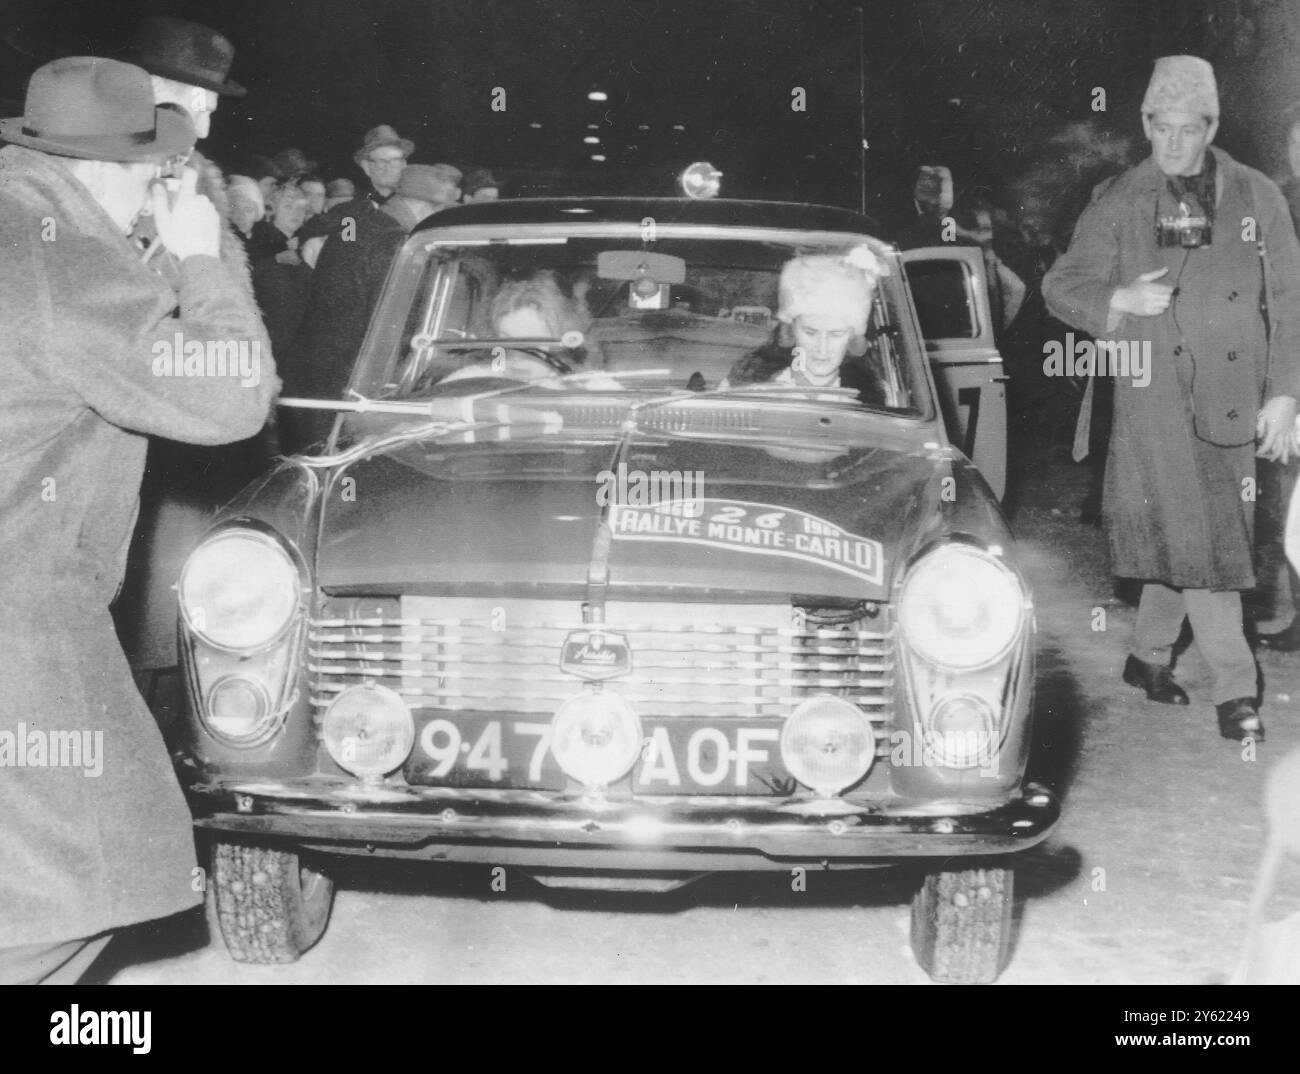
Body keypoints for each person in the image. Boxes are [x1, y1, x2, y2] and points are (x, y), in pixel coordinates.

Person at [0, 56, 276, 983]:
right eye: (157, 170)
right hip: (19, 618)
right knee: (74, 881)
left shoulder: (25, 219)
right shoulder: (59, 256)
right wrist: (202, 258)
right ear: (114, 167)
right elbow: (231, 394)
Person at [1042, 55, 1300, 742]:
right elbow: (1061, 285)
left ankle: (1146, 656)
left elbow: (1291, 300)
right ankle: (1236, 691)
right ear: (1145, 125)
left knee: (1199, 534)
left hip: (1235, 399)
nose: (1175, 145)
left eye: (1189, 130)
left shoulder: (1258, 197)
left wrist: (1285, 397)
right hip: (1152, 401)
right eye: (1161, 129)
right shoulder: (1121, 198)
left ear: (1212, 126)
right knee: (1206, 542)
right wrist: (1116, 299)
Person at [283, 164, 446, 451]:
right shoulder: (395, 242)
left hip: (315, 372)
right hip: (348, 381)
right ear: (422, 207)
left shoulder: (359, 226)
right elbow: (390, 321)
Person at [722, 251, 889, 405]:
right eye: (810, 332)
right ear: (791, 330)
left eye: (836, 334)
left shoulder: (875, 399)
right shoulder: (745, 386)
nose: (822, 348)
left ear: (853, 337)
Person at [247, 181, 310, 264]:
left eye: (300, 207)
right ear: (274, 208)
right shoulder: (259, 238)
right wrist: (276, 259)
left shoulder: (306, 239)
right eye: (288, 206)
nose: (296, 212)